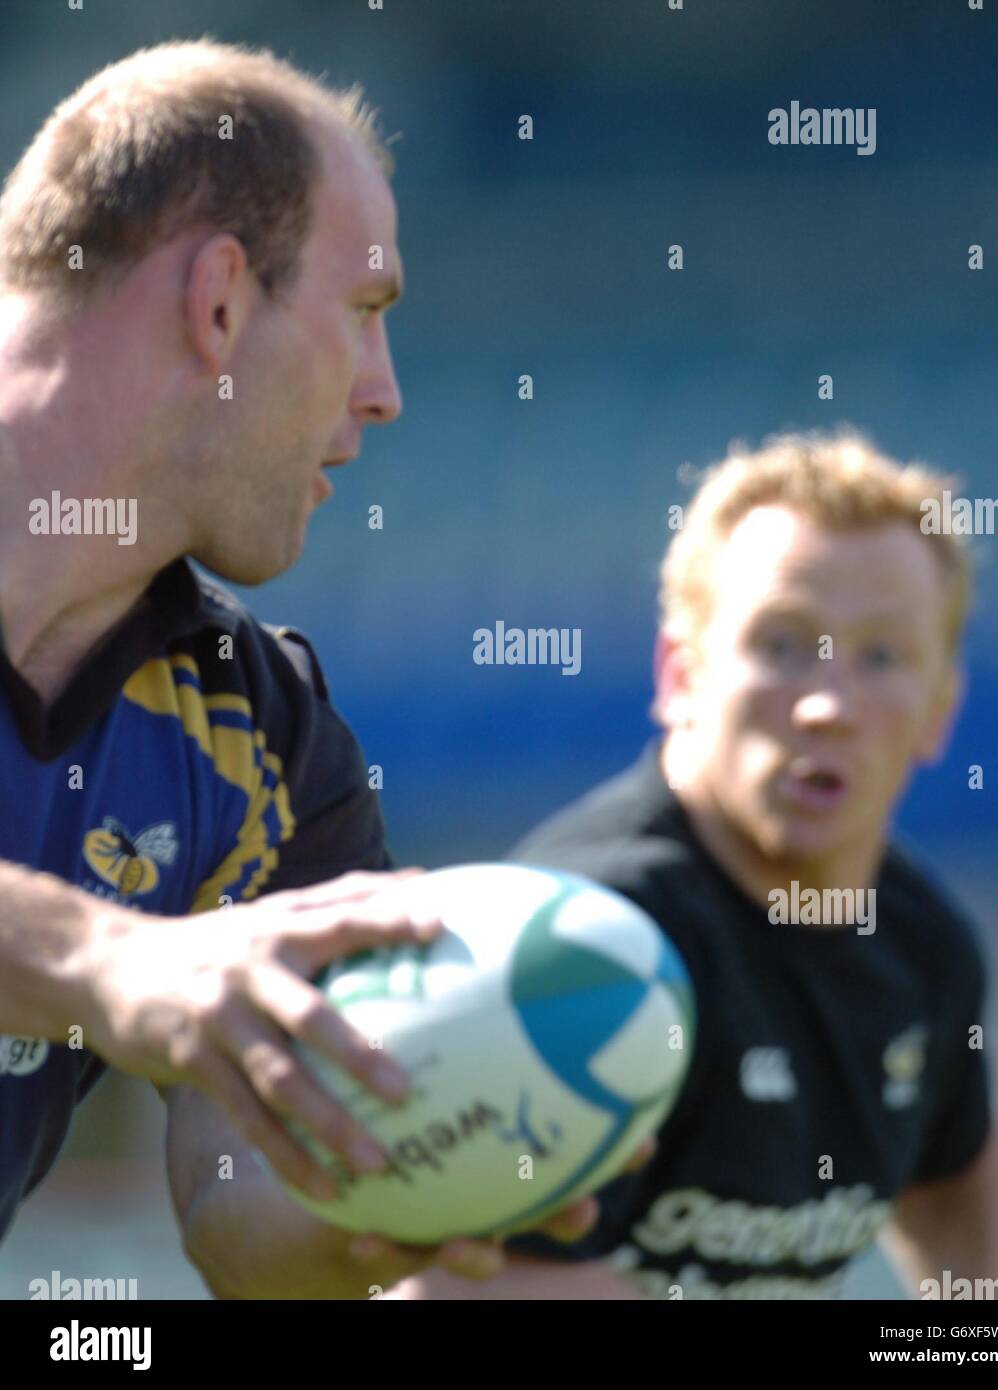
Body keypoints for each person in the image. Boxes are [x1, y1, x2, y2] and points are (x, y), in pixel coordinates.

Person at [0, 40, 605, 1296]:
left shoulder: (257, 733)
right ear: (220, 299)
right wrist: (113, 964)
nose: (384, 396)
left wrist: (414, 1205)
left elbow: (237, 1198)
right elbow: (135, 979)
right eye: (368, 311)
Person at [389, 433, 998, 1299]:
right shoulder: (584, 947)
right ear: (680, 672)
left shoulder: (921, 944)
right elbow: (462, 1290)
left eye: (883, 656)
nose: (827, 704)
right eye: (782, 643)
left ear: (940, 711)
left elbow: (965, 1182)